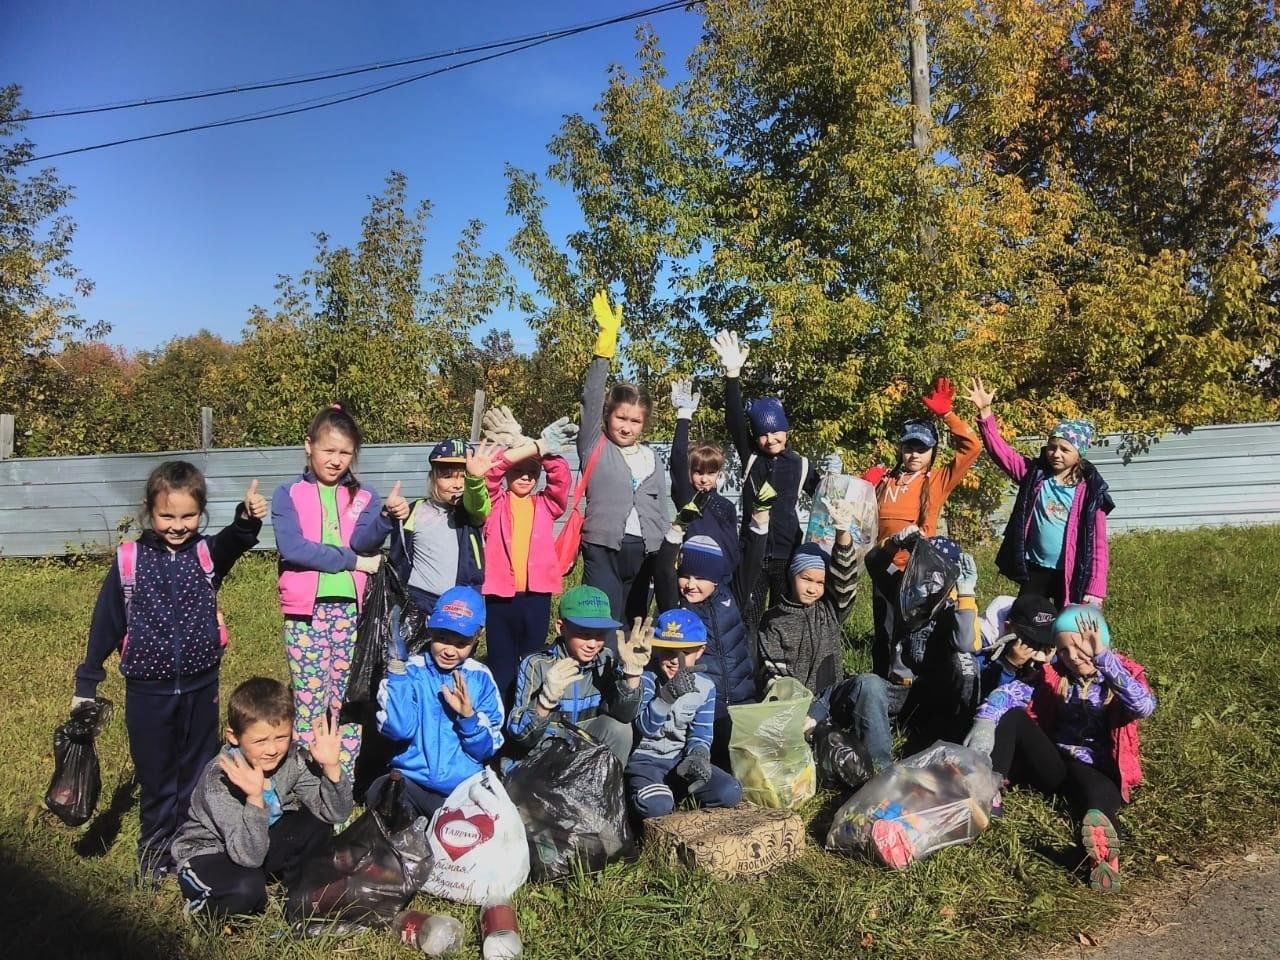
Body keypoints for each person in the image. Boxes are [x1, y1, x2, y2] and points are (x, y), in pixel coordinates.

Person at [72, 460, 263, 882]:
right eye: (167, 515)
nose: (178, 525)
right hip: (148, 692)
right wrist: (88, 679)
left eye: (188, 515)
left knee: (197, 772)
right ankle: (155, 852)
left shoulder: (205, 554)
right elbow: (106, 623)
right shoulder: (129, 560)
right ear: (149, 511)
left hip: (201, 686)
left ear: (201, 513)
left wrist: (246, 518)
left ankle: (192, 845)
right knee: (157, 775)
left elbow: (236, 540)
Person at [965, 605, 1155, 891]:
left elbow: (1143, 706)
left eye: (1080, 648)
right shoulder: (1055, 675)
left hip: (1098, 769)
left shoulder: (1120, 674)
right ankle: (989, 789)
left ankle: (1101, 855)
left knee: (1097, 799)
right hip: (1056, 765)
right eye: (1064, 650)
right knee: (1013, 716)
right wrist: (984, 723)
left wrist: (1104, 659)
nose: (1073, 657)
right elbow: (1008, 694)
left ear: (1101, 641)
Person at [171, 677, 352, 917]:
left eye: (281, 737)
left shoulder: (291, 760)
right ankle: (201, 907)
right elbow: (248, 857)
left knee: (317, 822)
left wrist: (331, 768)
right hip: (213, 852)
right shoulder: (221, 779)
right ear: (233, 737)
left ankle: (298, 892)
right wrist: (255, 798)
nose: (272, 749)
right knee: (247, 890)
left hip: (258, 843)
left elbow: (335, 813)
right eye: (260, 741)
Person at [272, 404, 382, 779]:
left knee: (347, 702)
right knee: (309, 701)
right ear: (309, 446)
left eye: (345, 452)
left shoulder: (367, 498)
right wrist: (351, 562)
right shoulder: (287, 494)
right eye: (328, 450)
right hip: (306, 615)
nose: (336, 461)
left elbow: (369, 542)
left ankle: (341, 783)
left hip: (352, 613)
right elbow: (293, 548)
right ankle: (305, 785)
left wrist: (387, 519)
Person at [819, 529, 981, 772]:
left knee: (967, 666)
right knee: (869, 684)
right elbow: (875, 561)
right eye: (924, 567)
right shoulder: (903, 588)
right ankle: (880, 768)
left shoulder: (954, 608)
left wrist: (966, 595)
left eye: (939, 574)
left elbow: (965, 643)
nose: (929, 581)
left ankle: (956, 751)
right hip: (897, 691)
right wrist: (895, 543)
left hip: (933, 699)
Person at [710, 330, 831, 611]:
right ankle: (749, 657)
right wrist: (732, 375)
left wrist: (854, 492)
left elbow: (828, 495)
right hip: (752, 551)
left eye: (777, 431)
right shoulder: (751, 456)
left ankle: (777, 657)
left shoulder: (801, 464)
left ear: (786, 430)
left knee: (782, 615)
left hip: (788, 555)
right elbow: (734, 420)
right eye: (763, 434)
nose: (771, 438)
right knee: (748, 616)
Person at [968, 377, 1114, 608]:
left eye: (1065, 449)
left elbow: (1098, 545)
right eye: (1052, 447)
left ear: (1080, 454)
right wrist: (986, 413)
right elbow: (1002, 454)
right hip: (1035, 568)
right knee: (1027, 624)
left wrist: (1095, 589)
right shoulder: (1035, 475)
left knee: (1065, 629)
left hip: (1070, 574)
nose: (1056, 454)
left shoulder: (1091, 493)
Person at [652, 494, 773, 760]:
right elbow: (662, 571)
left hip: (743, 702)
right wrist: (676, 530)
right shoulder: (678, 608)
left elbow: (752, 562)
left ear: (716, 580)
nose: (690, 584)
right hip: (706, 708)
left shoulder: (732, 598)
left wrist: (760, 518)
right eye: (686, 575)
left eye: (701, 577)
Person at [862, 377, 980, 648]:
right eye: (909, 448)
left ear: (932, 452)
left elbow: (972, 448)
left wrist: (948, 415)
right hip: (882, 563)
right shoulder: (885, 480)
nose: (914, 455)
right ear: (900, 449)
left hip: (917, 569)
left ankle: (911, 680)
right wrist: (859, 482)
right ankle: (883, 682)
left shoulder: (936, 480)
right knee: (884, 629)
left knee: (912, 630)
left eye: (922, 449)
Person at [370, 585, 504, 818]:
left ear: (477, 636)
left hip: (462, 788)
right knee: (378, 794)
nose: (450, 650)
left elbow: (485, 750)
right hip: (413, 781)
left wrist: (469, 718)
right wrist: (396, 670)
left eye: (461, 642)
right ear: (429, 625)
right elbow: (399, 730)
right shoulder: (409, 672)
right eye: (442, 638)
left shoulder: (481, 678)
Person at [577, 290, 668, 624]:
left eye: (635, 421)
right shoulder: (594, 445)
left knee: (637, 626)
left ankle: (632, 679)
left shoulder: (652, 458)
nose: (627, 427)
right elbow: (590, 398)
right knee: (603, 623)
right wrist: (604, 350)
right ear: (608, 416)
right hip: (603, 550)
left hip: (646, 555)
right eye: (621, 418)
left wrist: (667, 552)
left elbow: (661, 508)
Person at [476, 407, 578, 702]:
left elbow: (561, 480)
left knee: (532, 661)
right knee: (501, 664)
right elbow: (490, 473)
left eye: (532, 473)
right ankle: (502, 718)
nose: (525, 477)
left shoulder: (546, 505)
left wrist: (543, 451)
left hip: (537, 597)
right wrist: (519, 447)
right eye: (518, 471)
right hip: (500, 598)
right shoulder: (494, 503)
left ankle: (528, 718)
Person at [352, 438, 497, 617]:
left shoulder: (471, 514)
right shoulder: (414, 511)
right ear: (433, 478)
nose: (457, 484)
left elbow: (478, 505)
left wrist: (474, 480)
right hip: (416, 602)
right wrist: (388, 514)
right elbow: (374, 548)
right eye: (447, 476)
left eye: (463, 476)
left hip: (459, 604)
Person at [505, 586, 649, 765]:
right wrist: (544, 702)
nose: (592, 644)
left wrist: (632, 676)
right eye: (584, 634)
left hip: (585, 751)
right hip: (543, 757)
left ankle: (607, 788)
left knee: (620, 729)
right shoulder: (537, 664)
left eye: (599, 635)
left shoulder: (606, 660)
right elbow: (520, 736)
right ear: (561, 627)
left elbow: (624, 715)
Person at [626, 610, 744, 819]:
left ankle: (675, 791)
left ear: (700, 651)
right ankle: (635, 798)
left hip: (679, 758)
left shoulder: (705, 687)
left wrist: (699, 754)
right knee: (658, 807)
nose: (674, 661)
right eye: (667, 652)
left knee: (730, 792)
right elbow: (643, 728)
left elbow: (701, 732)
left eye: (685, 653)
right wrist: (666, 697)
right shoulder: (644, 679)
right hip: (645, 761)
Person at [756, 500, 861, 697]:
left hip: (829, 703)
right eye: (806, 579)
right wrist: (795, 704)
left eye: (820, 583)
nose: (812, 589)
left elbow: (845, 580)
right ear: (791, 576)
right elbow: (772, 672)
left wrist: (842, 534)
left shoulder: (829, 612)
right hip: (792, 707)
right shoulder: (774, 620)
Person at [667, 378, 739, 568]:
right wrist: (684, 416)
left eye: (711, 472)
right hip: (691, 573)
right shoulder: (687, 498)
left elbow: (732, 546)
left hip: (720, 578)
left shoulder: (726, 506)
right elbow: (678, 457)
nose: (704, 479)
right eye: (698, 472)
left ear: (719, 474)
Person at [976, 593, 1058, 700]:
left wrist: (1046, 666)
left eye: (1044, 641)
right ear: (1008, 627)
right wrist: (1008, 665)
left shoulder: (1048, 651)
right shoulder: (982, 645)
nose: (1037, 647)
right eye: (1030, 639)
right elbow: (983, 694)